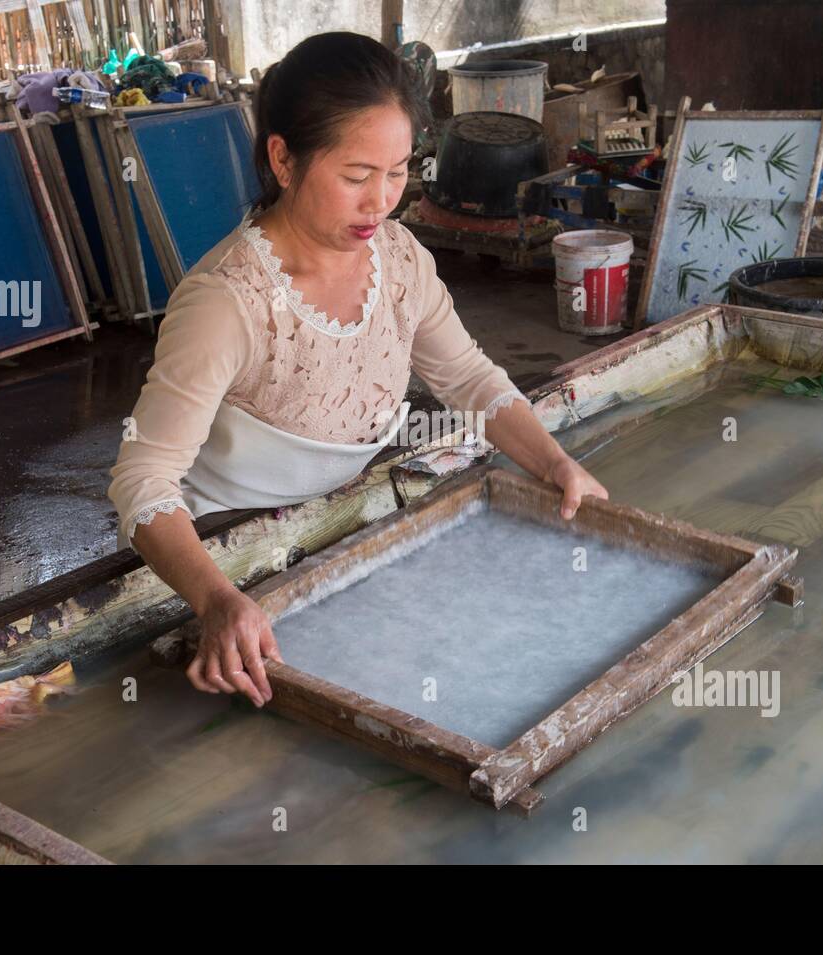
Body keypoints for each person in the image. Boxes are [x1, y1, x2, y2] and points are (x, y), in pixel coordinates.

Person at [108, 31, 608, 707]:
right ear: (282, 159)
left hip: (332, 534)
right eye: (355, 176)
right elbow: (142, 482)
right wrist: (217, 599)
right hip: (218, 565)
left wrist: (554, 464)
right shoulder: (229, 303)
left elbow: (468, 379)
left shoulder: (400, 262)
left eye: (399, 172)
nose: (382, 202)